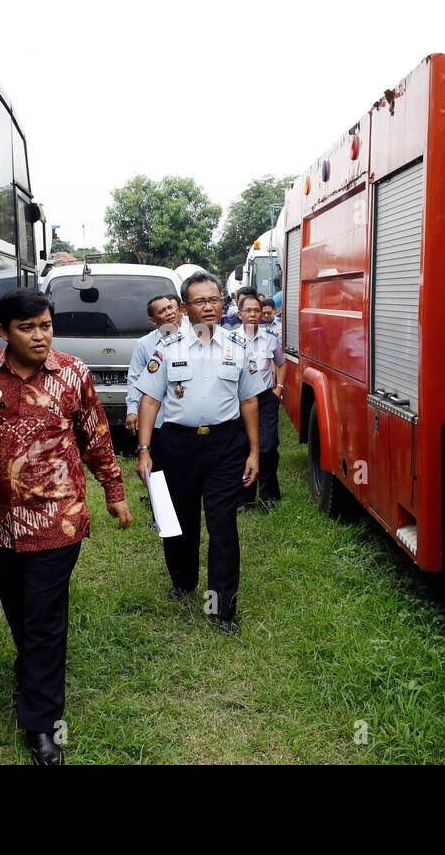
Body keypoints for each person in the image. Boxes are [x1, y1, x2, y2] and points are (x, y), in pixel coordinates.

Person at [0, 288, 132, 765]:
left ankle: (42, 725)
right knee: (19, 610)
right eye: (28, 328)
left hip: (57, 520)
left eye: (46, 325)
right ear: (4, 332)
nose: (40, 335)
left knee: (44, 618)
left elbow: (96, 437)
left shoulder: (72, 373)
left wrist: (113, 491)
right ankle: (32, 671)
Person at [134, 272, 259, 634]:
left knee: (223, 527)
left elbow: (249, 400)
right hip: (176, 445)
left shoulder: (239, 345)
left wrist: (254, 451)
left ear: (224, 304)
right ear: (185, 308)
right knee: (179, 522)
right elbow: (150, 399)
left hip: (225, 446)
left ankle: (221, 608)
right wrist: (144, 450)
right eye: (201, 301)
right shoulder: (167, 348)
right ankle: (183, 580)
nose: (209, 307)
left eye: (215, 299)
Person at [233, 294, 286, 511]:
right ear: (240, 314)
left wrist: (278, 390)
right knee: (242, 446)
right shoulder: (230, 340)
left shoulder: (270, 338)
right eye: (249, 311)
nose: (254, 315)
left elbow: (281, 364)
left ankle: (268, 495)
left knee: (267, 446)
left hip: (265, 399)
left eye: (257, 311)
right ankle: (244, 498)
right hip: (240, 400)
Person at [124, 293, 182, 436]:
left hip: (185, 419)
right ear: (152, 321)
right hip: (158, 419)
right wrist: (132, 410)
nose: (169, 313)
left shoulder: (193, 338)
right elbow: (135, 379)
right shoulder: (144, 344)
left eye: (170, 307)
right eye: (162, 311)